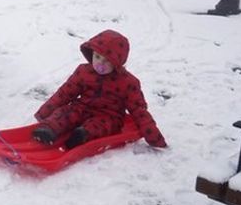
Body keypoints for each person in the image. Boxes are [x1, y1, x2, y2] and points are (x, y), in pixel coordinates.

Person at [32, 29, 167, 149]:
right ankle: (48, 130)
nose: (100, 64)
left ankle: (82, 135)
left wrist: (154, 137)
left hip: (108, 115)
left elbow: (139, 110)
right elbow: (65, 93)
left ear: (117, 62)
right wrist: (44, 113)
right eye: (97, 57)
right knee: (67, 112)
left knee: (102, 126)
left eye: (107, 61)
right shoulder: (83, 71)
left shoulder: (128, 83)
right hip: (82, 107)